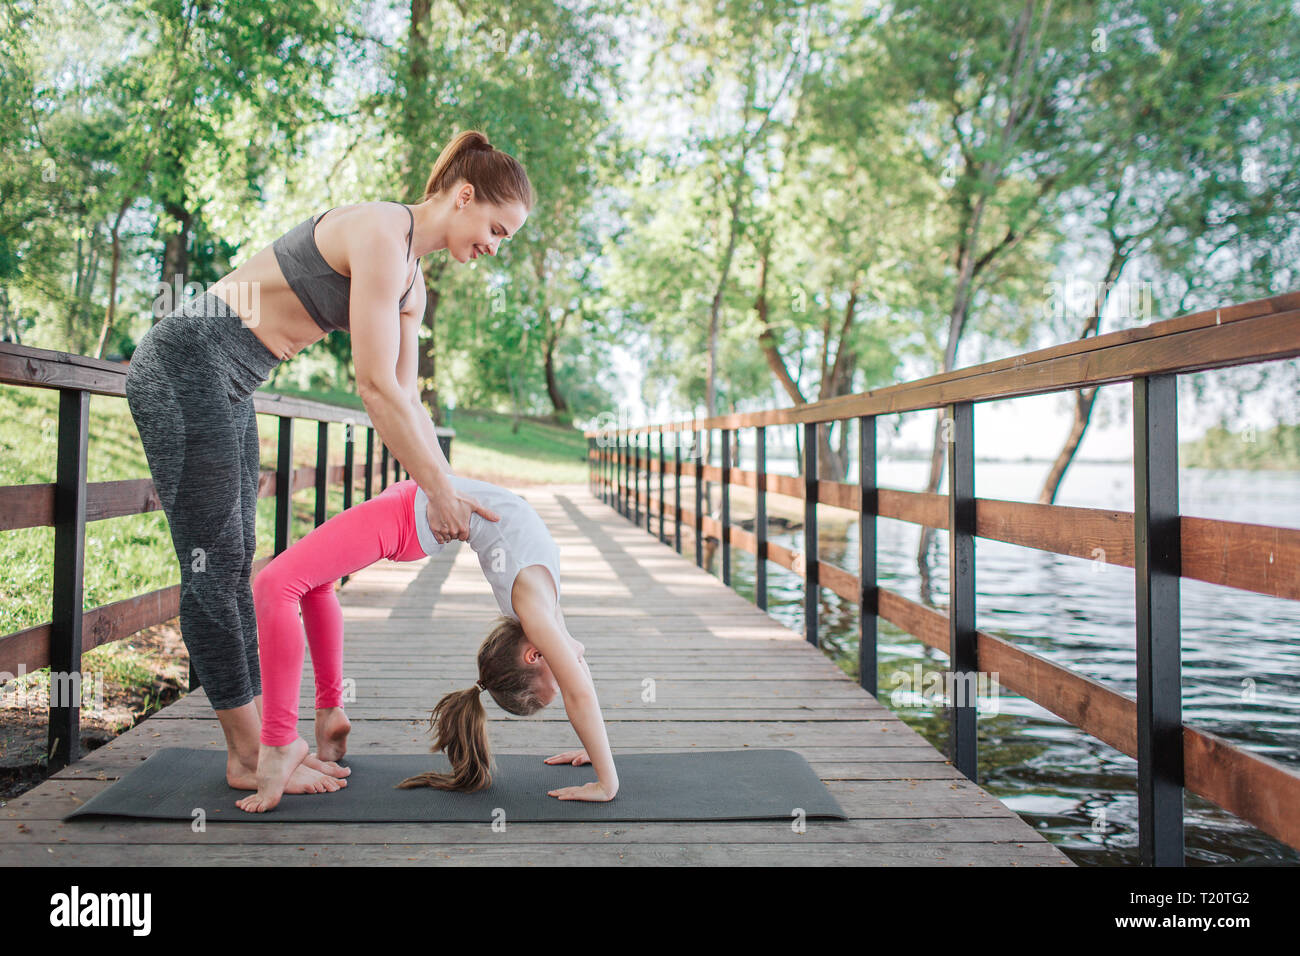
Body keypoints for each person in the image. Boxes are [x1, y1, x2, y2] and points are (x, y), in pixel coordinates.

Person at [124, 130, 531, 796]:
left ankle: (265, 745)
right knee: (212, 559)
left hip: (235, 378)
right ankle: (252, 754)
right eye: (497, 228)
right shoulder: (378, 230)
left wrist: (448, 490)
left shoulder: (412, 284)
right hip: (185, 361)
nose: (493, 247)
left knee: (238, 555)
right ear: (463, 197)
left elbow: (406, 399)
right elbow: (371, 385)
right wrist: (437, 492)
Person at [235, 475, 618, 812]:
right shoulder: (539, 612)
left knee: (275, 584)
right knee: (309, 582)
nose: (569, 665)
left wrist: (601, 763)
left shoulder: (536, 611)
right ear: (534, 654)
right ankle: (329, 713)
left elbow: (576, 684)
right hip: (413, 508)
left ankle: (281, 742)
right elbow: (577, 686)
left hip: (410, 512)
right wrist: (603, 771)